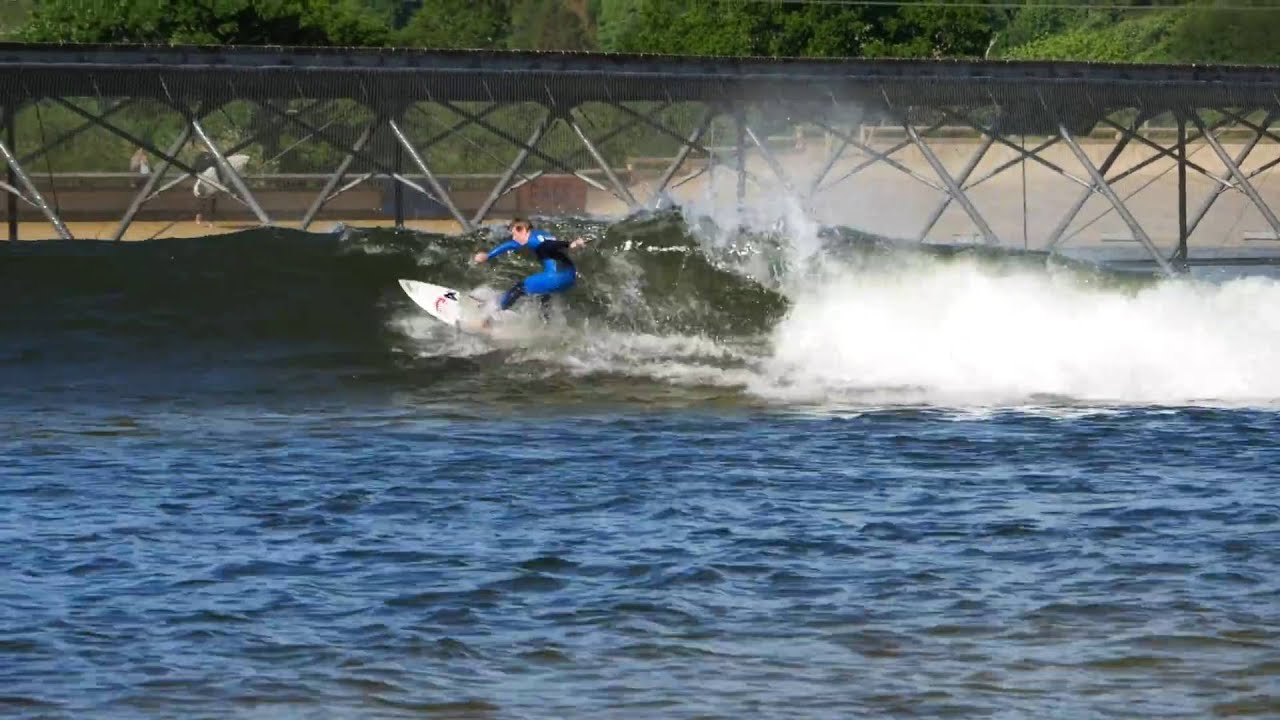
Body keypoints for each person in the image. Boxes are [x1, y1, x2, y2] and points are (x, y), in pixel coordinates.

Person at [472, 218, 586, 321]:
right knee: (544, 296)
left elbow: (549, 245)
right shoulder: (540, 234)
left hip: (555, 277)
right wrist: (489, 255)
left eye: (514, 234)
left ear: (522, 230)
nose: (513, 238)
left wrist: (570, 244)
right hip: (569, 276)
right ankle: (546, 324)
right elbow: (512, 245)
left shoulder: (535, 241)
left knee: (519, 288)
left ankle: (492, 311)